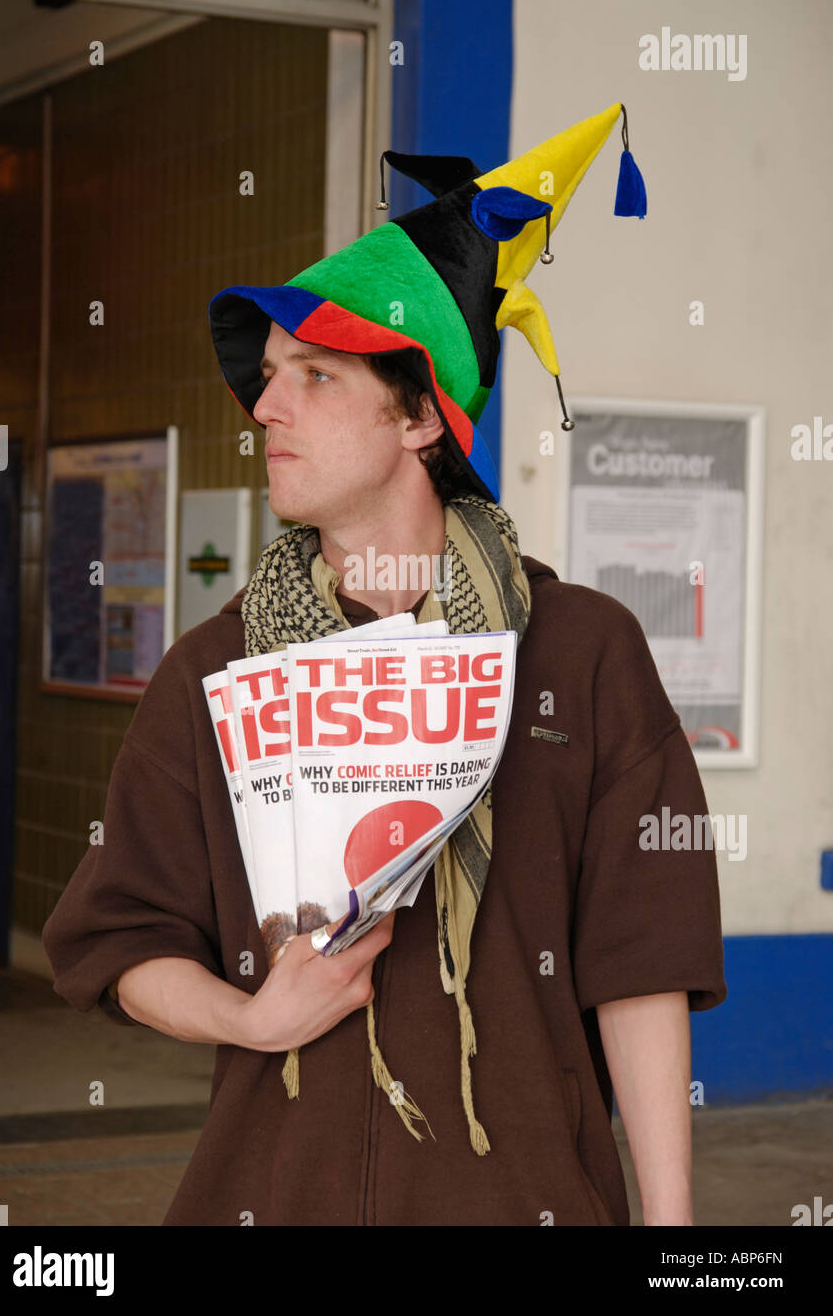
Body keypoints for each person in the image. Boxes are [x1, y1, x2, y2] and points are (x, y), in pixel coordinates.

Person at [43, 102, 726, 1226]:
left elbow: (639, 964)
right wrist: (248, 1013)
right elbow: (119, 939)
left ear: (420, 418)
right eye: (267, 377)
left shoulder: (583, 652)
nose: (264, 406)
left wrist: (670, 1231)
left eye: (314, 376)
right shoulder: (217, 671)